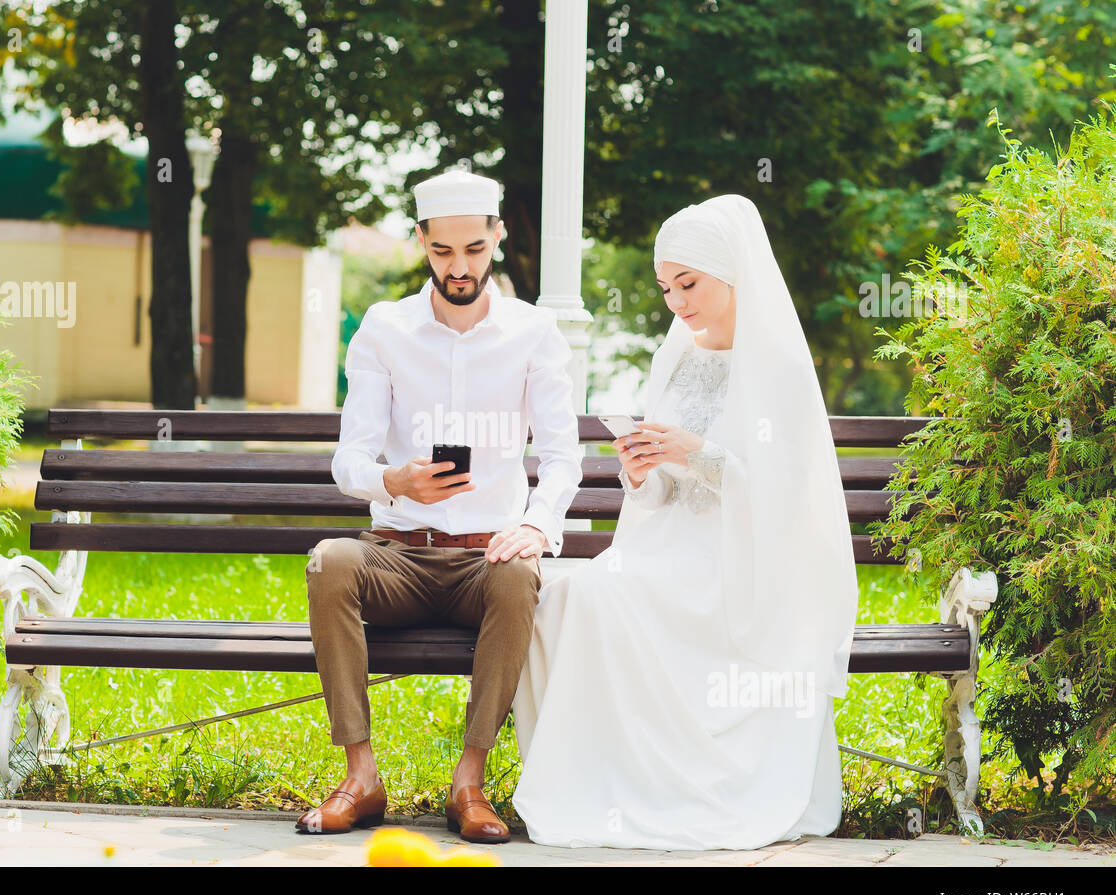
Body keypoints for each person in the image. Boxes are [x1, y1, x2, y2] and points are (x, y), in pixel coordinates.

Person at [510, 194, 859, 850]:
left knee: (599, 598)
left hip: (743, 561)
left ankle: (675, 791)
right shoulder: (675, 358)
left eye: (688, 283)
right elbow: (659, 496)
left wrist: (699, 453)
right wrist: (644, 472)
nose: (676, 301)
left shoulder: (778, 367)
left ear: (730, 273)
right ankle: (608, 785)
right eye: (666, 287)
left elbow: (788, 497)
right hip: (666, 549)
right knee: (567, 597)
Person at [298, 168, 583, 843]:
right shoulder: (385, 328)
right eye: (443, 251)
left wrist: (536, 527)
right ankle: (360, 777)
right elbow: (349, 464)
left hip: (487, 558)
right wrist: (396, 482)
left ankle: (469, 782)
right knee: (328, 563)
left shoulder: (534, 332)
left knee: (519, 575)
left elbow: (565, 458)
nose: (459, 267)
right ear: (422, 239)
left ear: (497, 237)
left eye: (474, 251)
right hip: (397, 556)